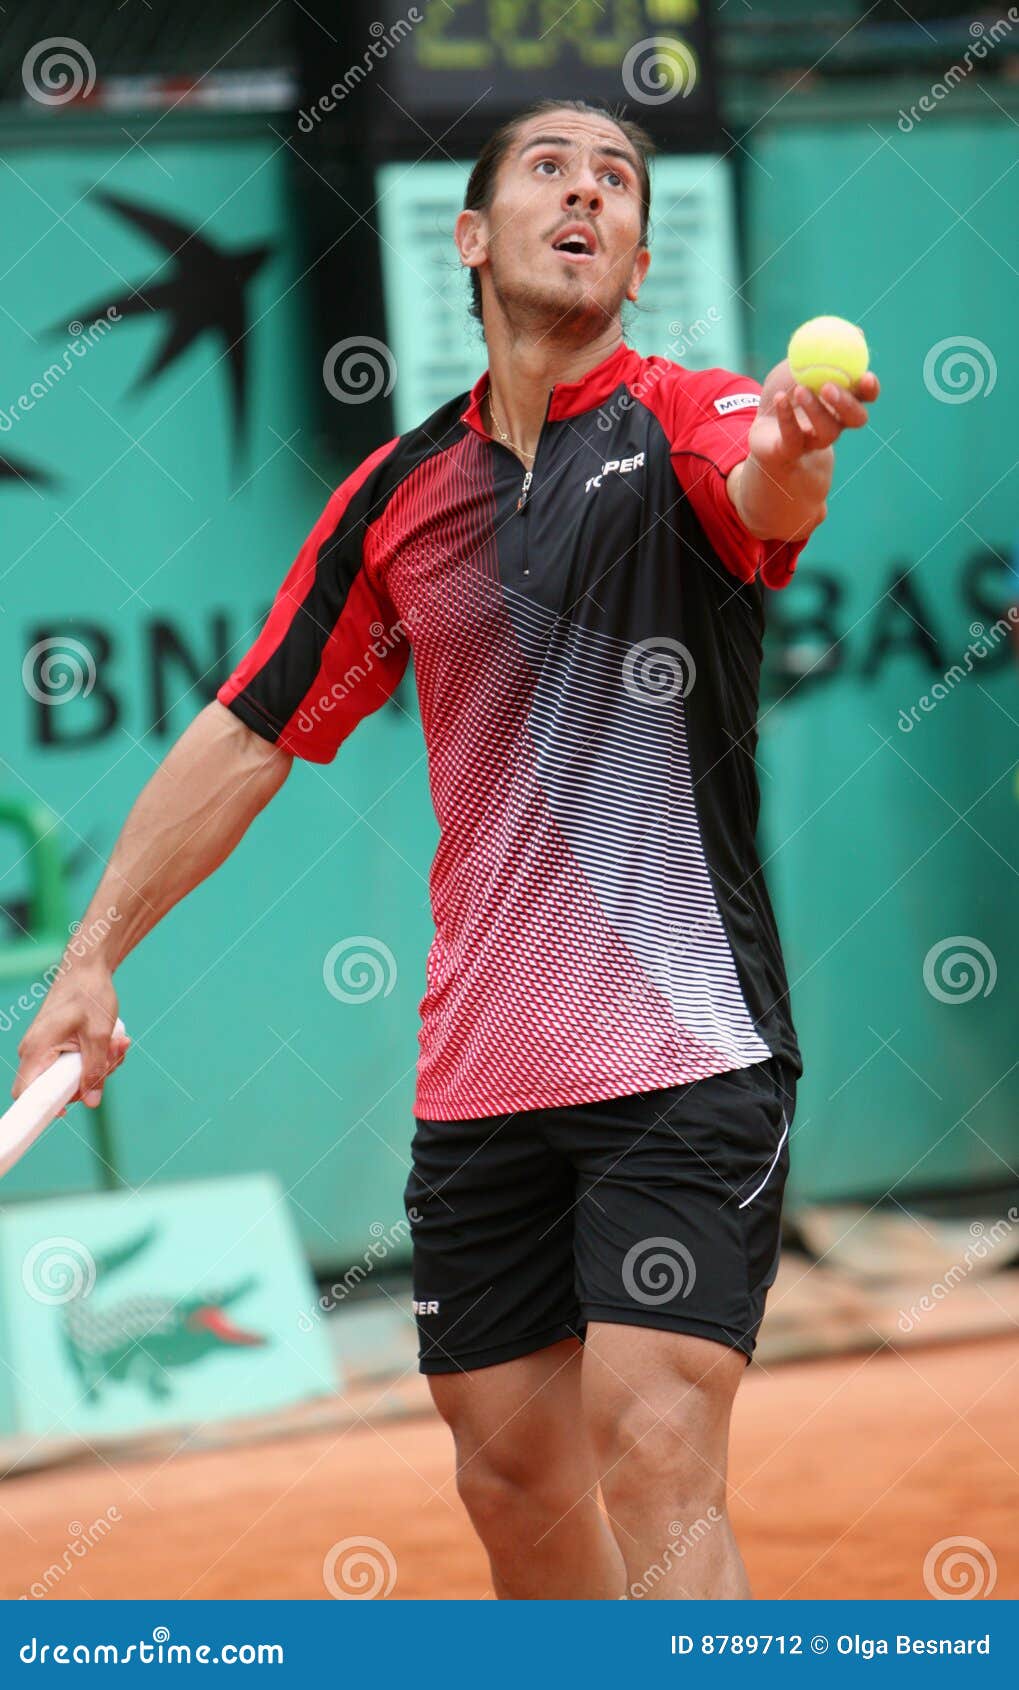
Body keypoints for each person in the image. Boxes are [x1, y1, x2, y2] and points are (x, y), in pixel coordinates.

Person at [14, 98, 879, 1600]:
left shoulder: (693, 415)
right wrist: (92, 956)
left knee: (657, 1430)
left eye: (618, 180)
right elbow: (252, 730)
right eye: (551, 169)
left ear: (637, 252)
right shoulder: (398, 497)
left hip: (686, 1048)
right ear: (470, 239)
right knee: (511, 1478)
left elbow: (767, 488)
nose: (588, 193)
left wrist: (800, 442)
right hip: (484, 1073)